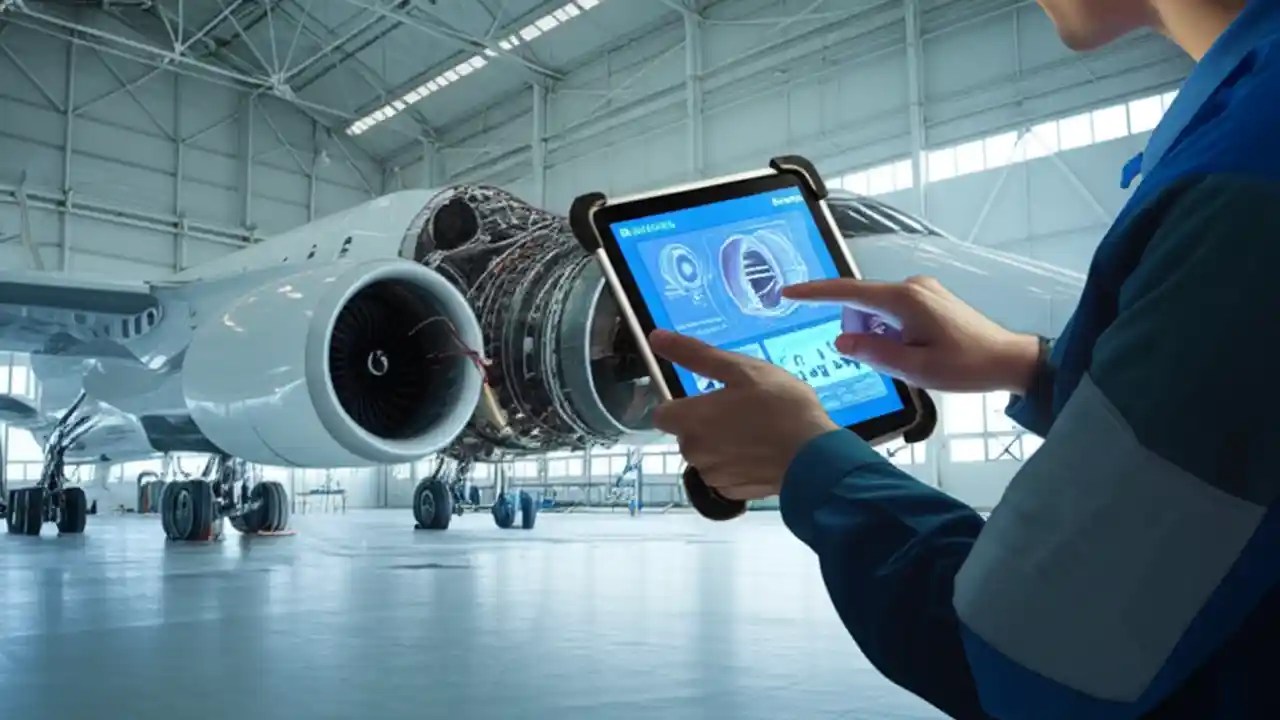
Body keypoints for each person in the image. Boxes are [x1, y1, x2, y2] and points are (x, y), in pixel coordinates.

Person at [648, 1, 1280, 718]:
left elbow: (1033, 661)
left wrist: (808, 463)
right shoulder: (1246, 114)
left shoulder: (1250, 171)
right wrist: (1027, 365)